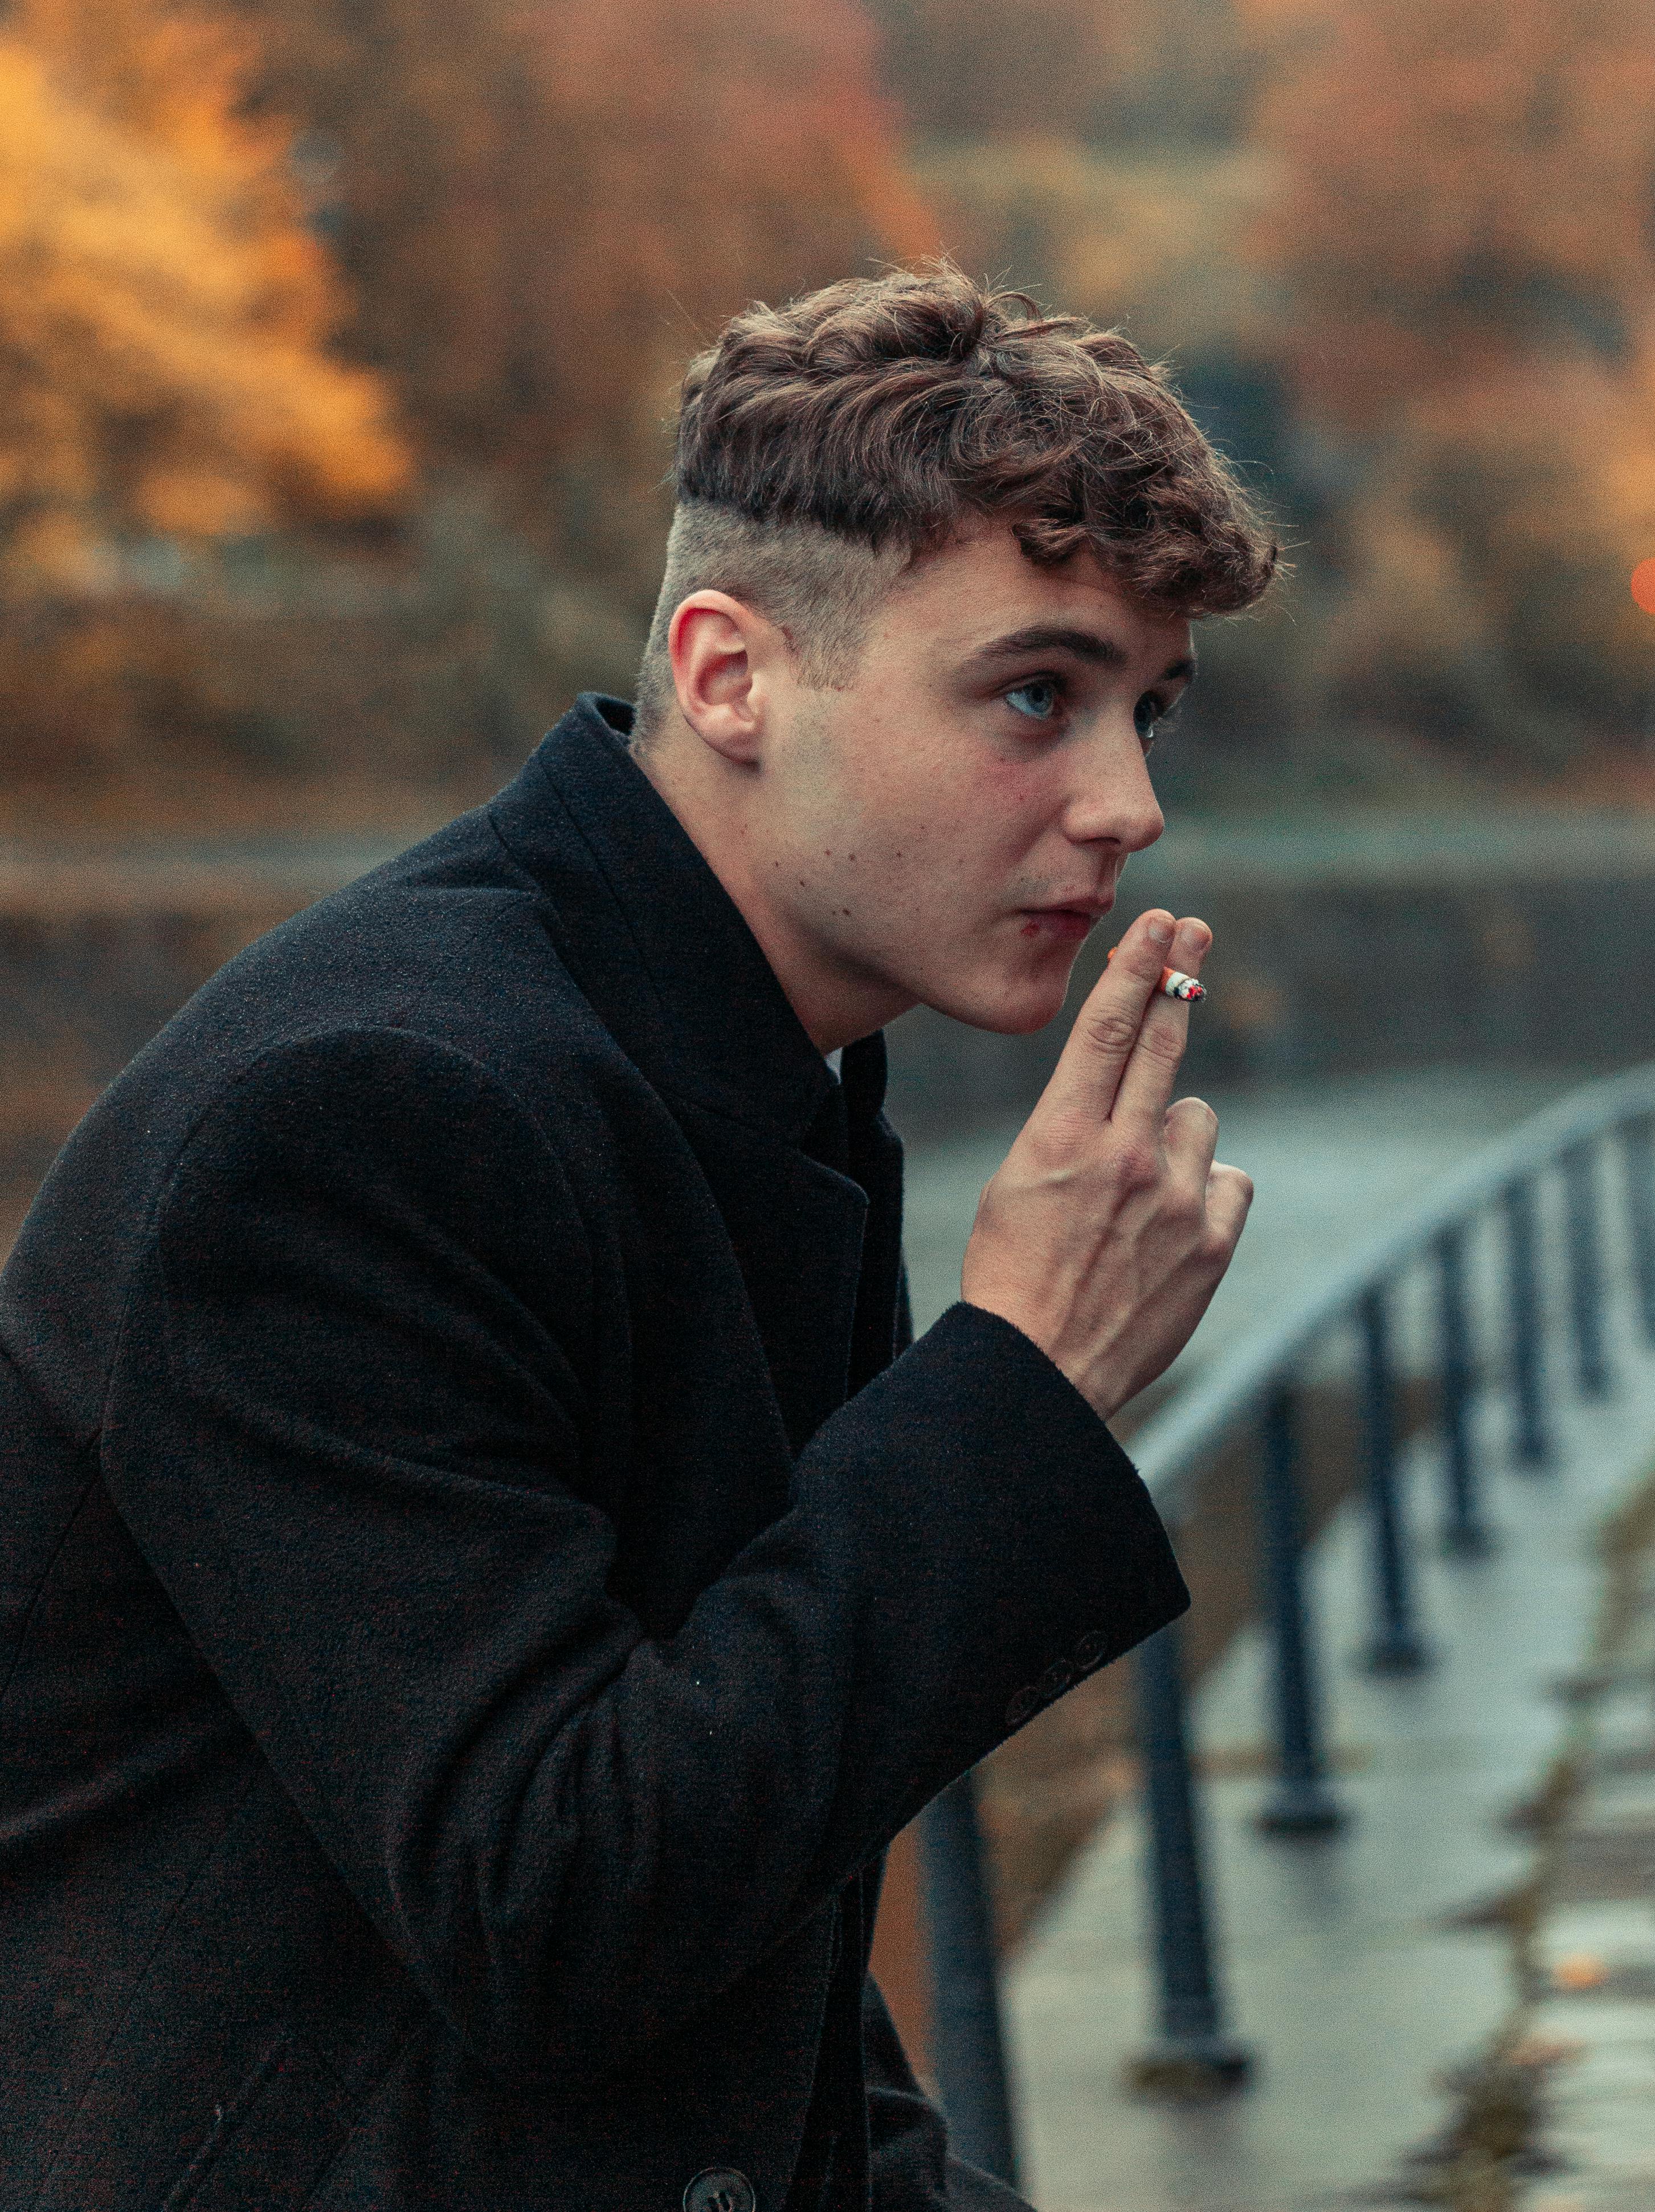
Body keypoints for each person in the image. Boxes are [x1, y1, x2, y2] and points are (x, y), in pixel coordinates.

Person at [0, 264, 1276, 2211]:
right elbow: (558, 1905)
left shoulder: (740, 1067)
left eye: (1146, 710)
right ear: (729, 673)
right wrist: (1016, 1384)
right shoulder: (372, 1113)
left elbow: (742, 1930)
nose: (1126, 803)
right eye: (1036, 694)